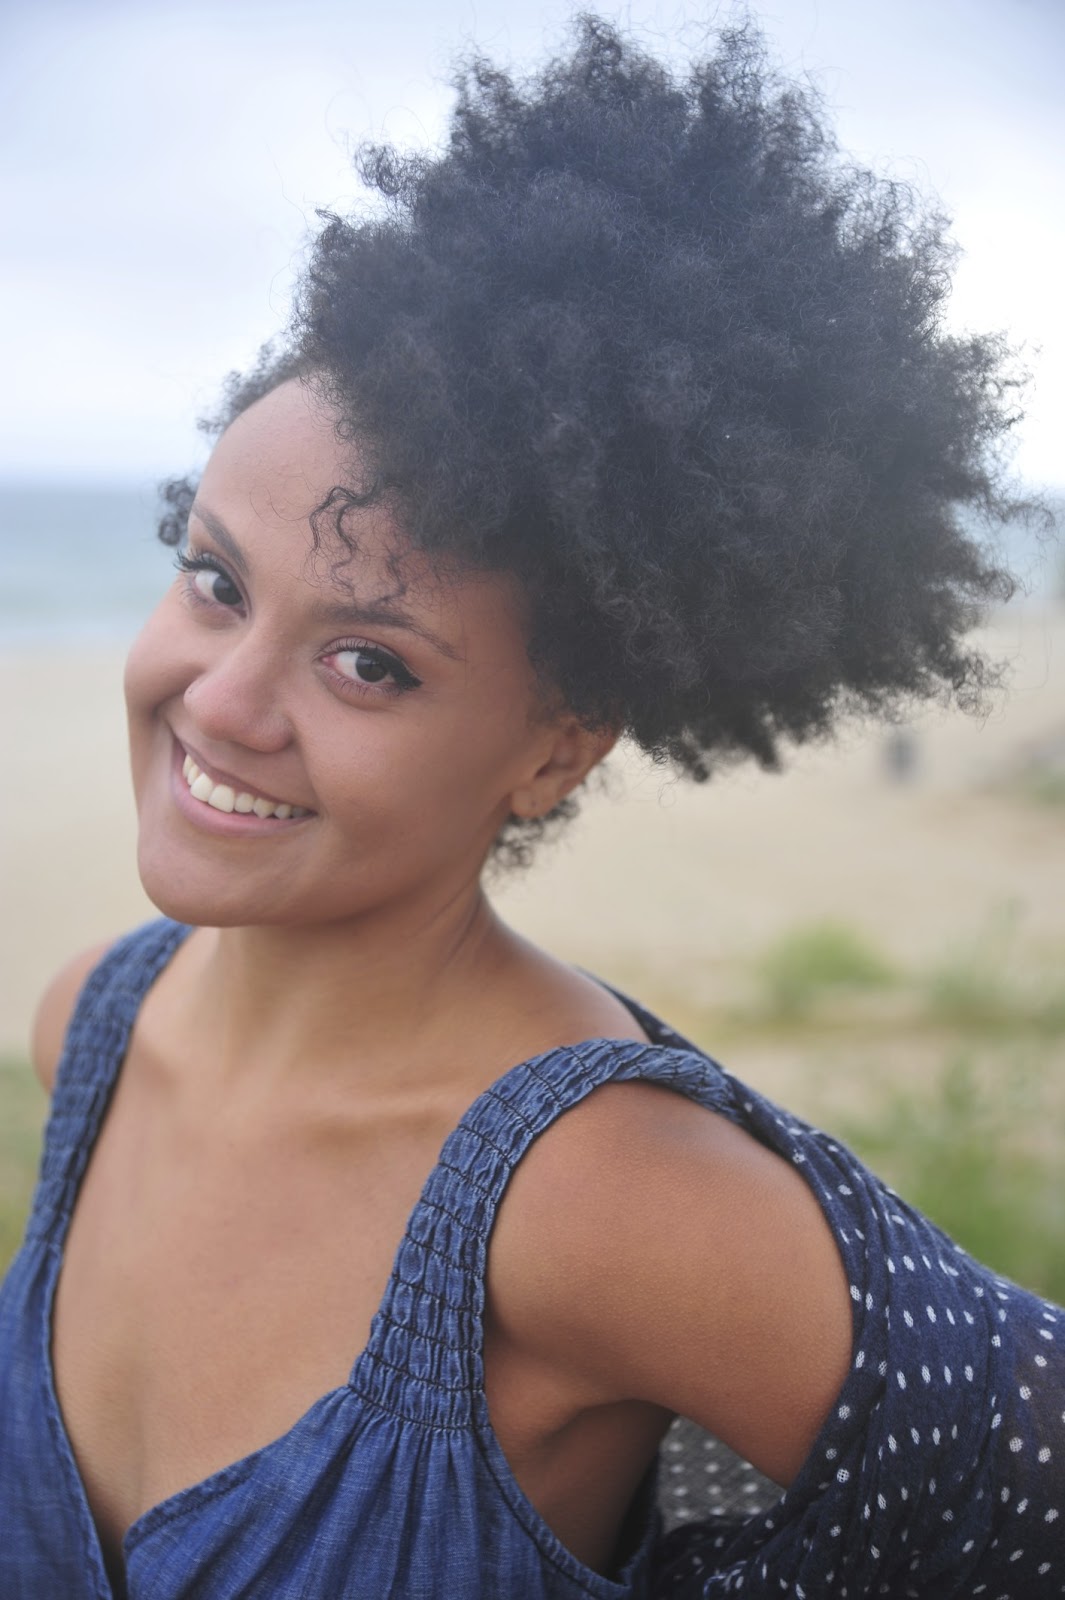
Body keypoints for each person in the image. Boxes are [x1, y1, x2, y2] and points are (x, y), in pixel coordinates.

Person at [1, 18, 1061, 1600]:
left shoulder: (594, 1197)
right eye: (215, 580)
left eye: (368, 662)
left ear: (555, 749)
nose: (219, 700)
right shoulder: (89, 1022)